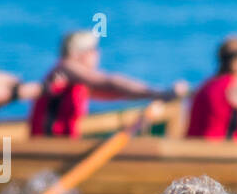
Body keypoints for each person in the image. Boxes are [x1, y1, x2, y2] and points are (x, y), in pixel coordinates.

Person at [29, 30, 187, 137]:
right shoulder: (64, 68)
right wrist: (159, 92)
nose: (98, 54)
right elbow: (109, 82)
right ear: (78, 53)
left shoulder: (74, 82)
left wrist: (153, 95)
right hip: (48, 144)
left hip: (61, 143)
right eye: (94, 49)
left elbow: (115, 92)